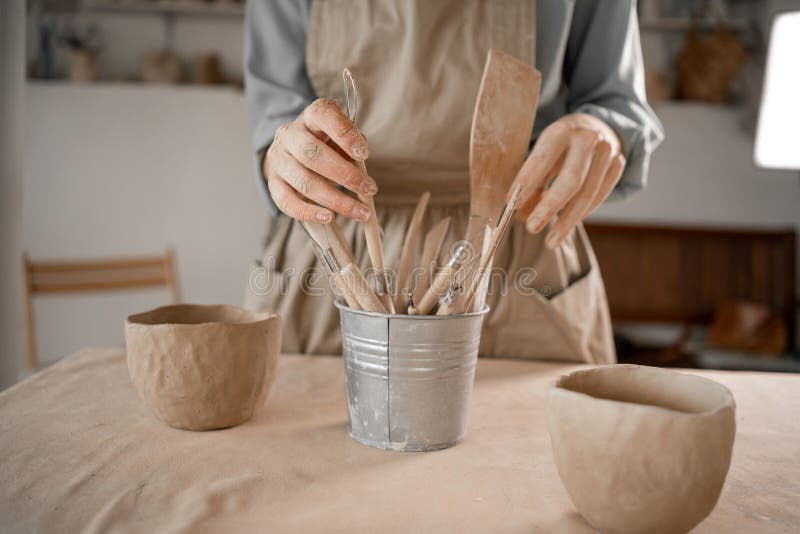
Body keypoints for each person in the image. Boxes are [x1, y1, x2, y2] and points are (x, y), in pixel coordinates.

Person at [243, 0, 664, 363]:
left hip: (518, 246)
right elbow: (275, 121)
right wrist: (284, 152)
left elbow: (617, 103)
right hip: (333, 246)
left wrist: (603, 130)